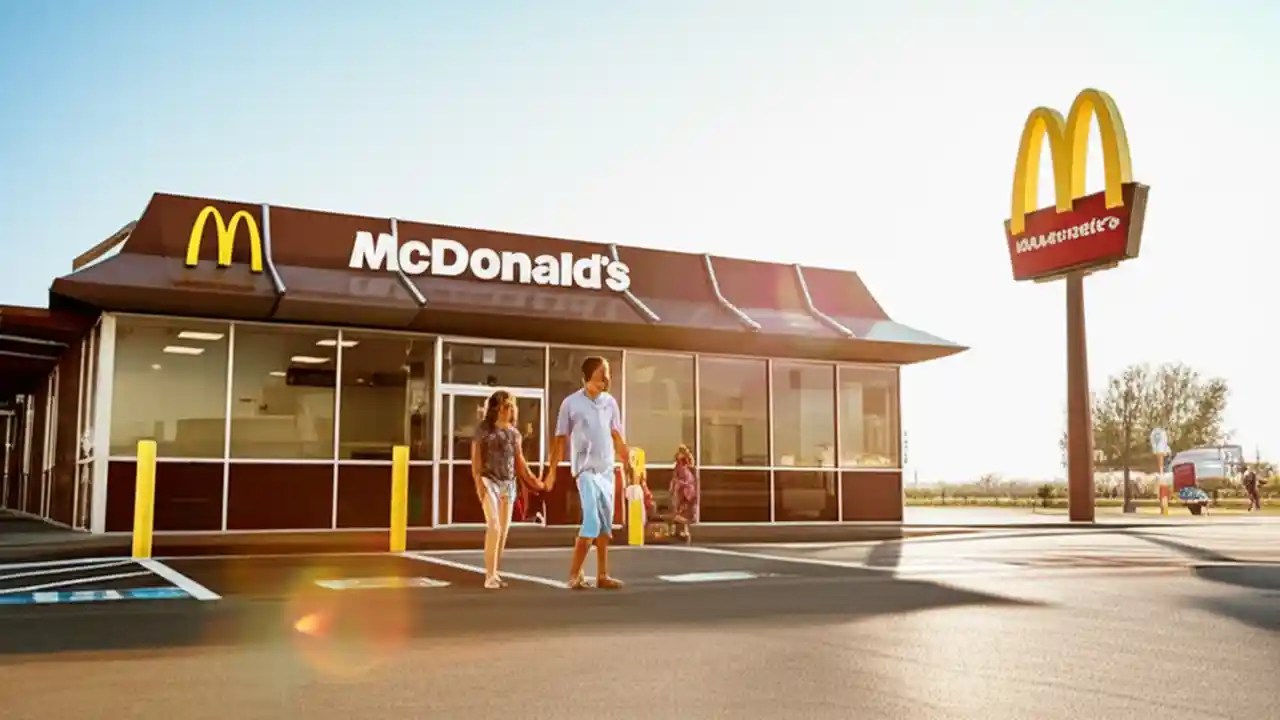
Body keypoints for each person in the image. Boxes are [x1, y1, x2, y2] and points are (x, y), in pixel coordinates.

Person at [544, 356, 630, 590]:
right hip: (585, 470)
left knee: (604, 526)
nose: (607, 378)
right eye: (602, 374)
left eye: (608, 374)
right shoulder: (570, 403)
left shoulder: (610, 403)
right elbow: (560, 439)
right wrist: (552, 472)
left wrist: (627, 460)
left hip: (607, 470)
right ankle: (574, 574)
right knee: (591, 520)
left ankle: (602, 574)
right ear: (587, 376)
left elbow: (616, 435)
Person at [472, 390, 543, 590]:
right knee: (494, 526)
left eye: (511, 406)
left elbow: (520, 462)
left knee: (503, 531)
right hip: (489, 480)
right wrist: (478, 483)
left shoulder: (514, 434)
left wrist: (535, 482)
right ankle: (489, 576)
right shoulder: (484, 429)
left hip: (509, 483)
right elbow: (476, 458)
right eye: (504, 406)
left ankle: (494, 572)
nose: (508, 410)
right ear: (495, 408)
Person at [668, 444, 699, 542]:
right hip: (682, 493)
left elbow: (685, 481)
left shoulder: (685, 468)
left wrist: (677, 485)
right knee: (680, 512)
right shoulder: (680, 466)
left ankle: (680, 531)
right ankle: (682, 531)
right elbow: (675, 478)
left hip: (685, 493)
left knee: (681, 513)